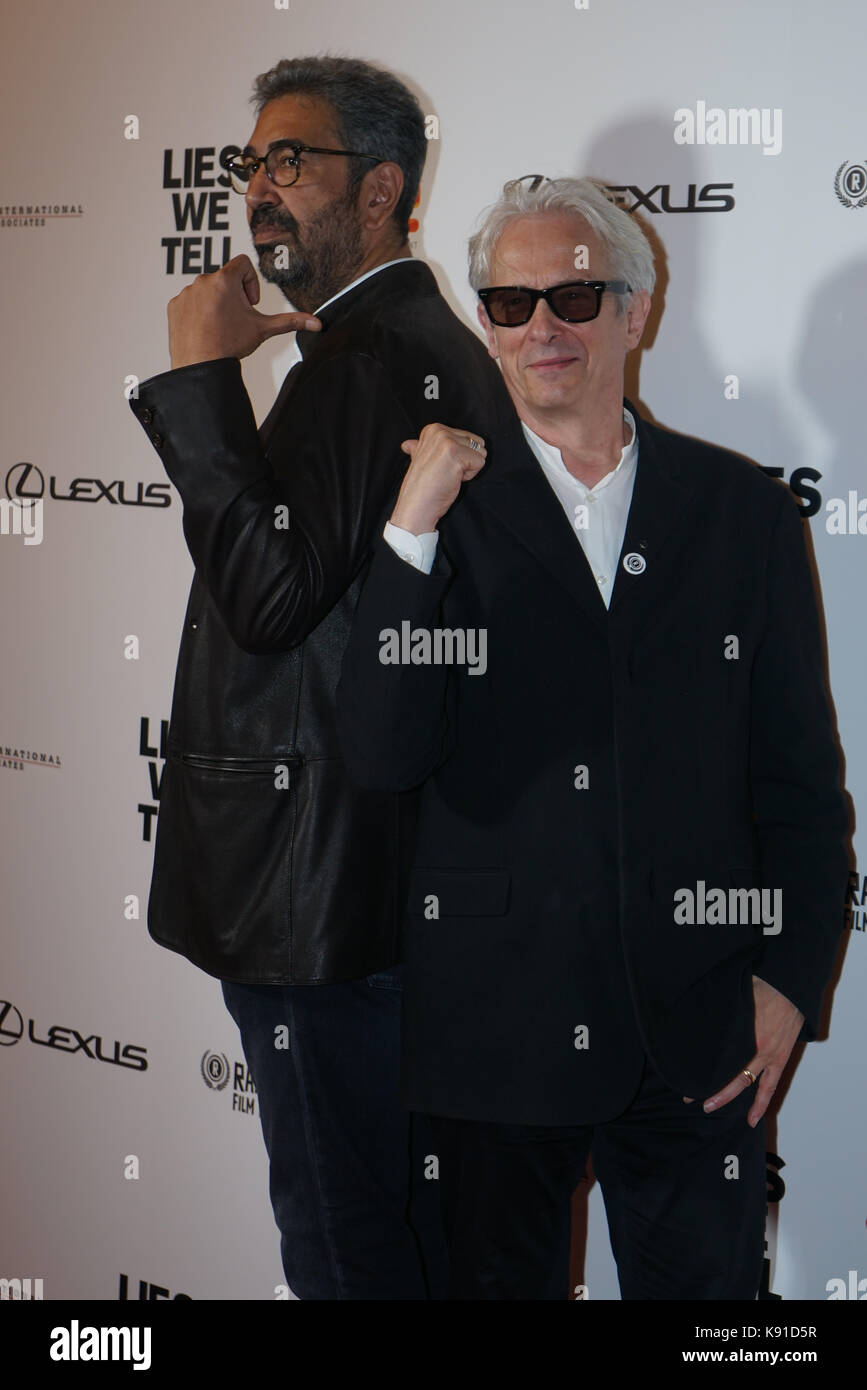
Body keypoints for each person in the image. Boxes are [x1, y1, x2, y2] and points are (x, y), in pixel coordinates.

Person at [336, 176, 850, 1300]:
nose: (543, 328)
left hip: (700, 1032)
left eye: (574, 294)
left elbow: (801, 780)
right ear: (484, 323)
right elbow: (379, 755)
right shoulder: (432, 512)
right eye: (510, 304)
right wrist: (411, 535)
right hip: (494, 1032)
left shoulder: (741, 512)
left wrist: (790, 975)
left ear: (637, 308)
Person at [128, 55, 512, 1300]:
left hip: (321, 906)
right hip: (362, 891)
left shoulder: (370, 358)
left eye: (292, 162)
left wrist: (195, 378)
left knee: (347, 1251)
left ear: (384, 185)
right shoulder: (397, 345)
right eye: (251, 167)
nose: (260, 193)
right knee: (388, 1238)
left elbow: (272, 592)